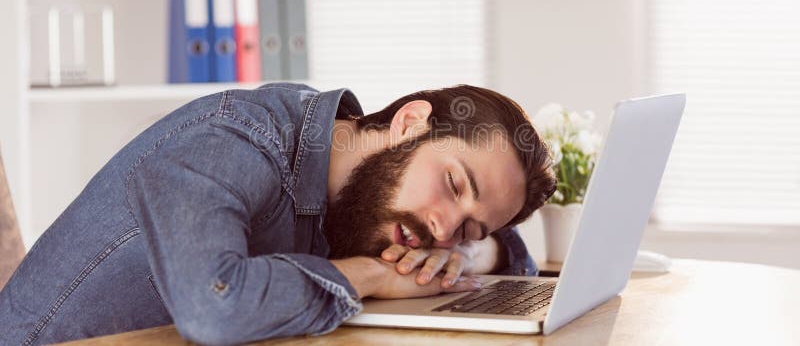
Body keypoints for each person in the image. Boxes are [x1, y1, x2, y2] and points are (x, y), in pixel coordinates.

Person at [0, 83, 556, 345]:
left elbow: (517, 258)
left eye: (468, 227)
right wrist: (370, 276)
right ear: (410, 122)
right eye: (453, 183)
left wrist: (473, 251)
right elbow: (213, 308)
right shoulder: (235, 139)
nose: (441, 228)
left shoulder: (355, 193)